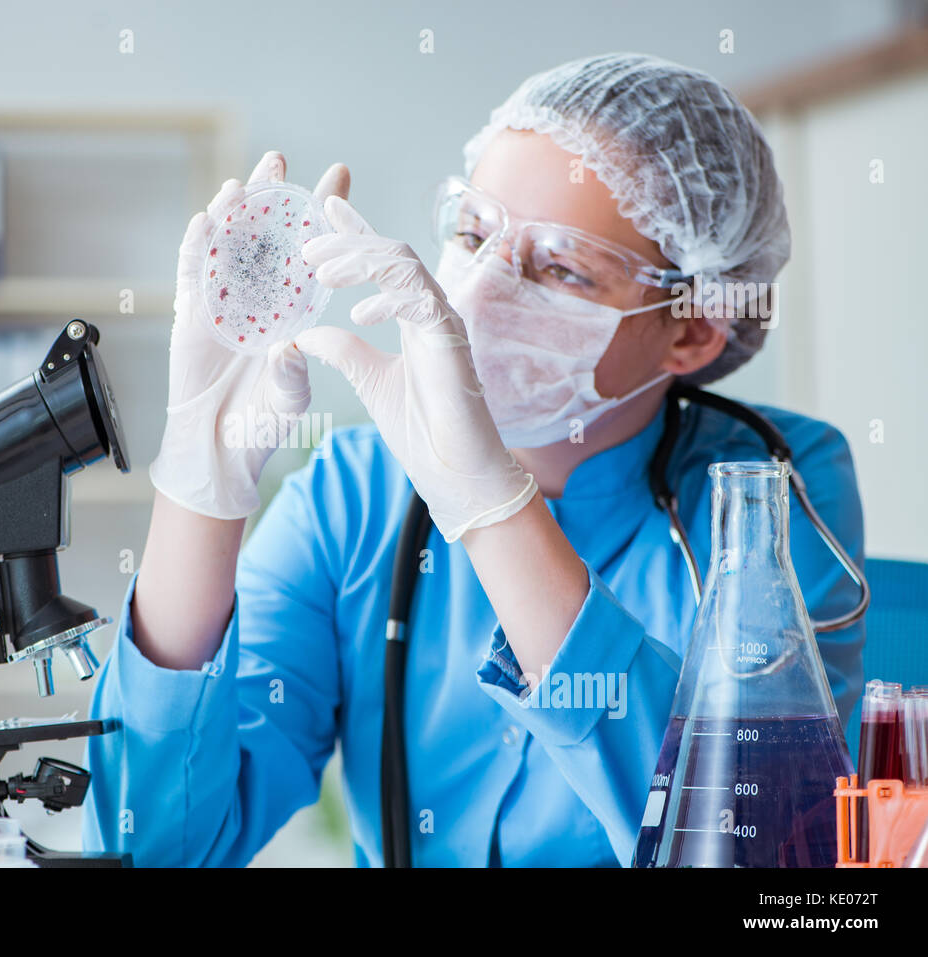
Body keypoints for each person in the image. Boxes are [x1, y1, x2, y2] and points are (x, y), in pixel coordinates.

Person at [81, 53, 865, 866]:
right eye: (472, 233)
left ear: (693, 327)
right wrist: (198, 491)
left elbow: (766, 863)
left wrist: (491, 508)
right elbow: (154, 849)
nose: (479, 293)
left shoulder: (770, 488)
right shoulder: (352, 493)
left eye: (560, 266)